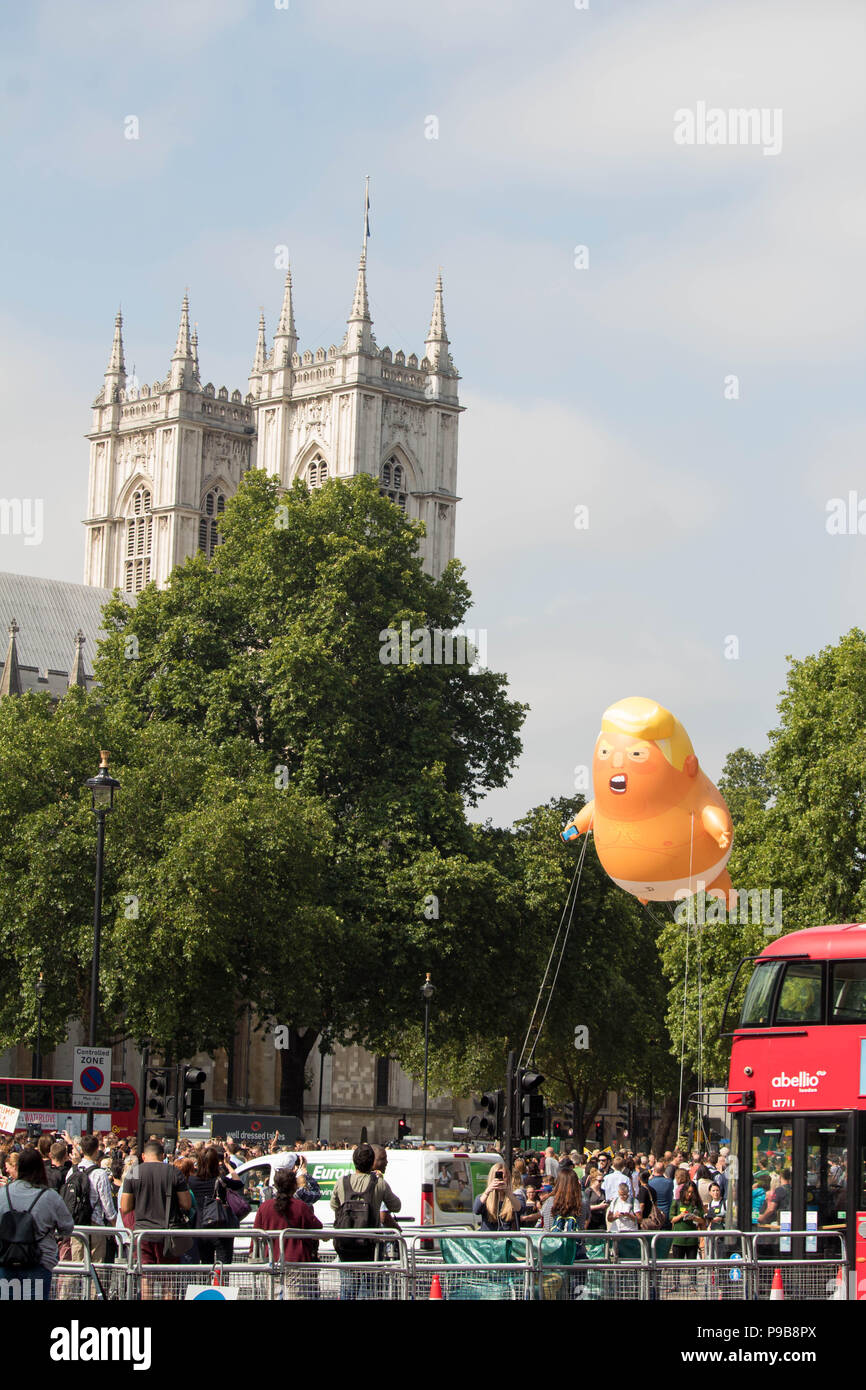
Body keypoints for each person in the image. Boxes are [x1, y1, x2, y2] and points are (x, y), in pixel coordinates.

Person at [0, 1145, 74, 1299]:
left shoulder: (3, 1193)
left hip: (6, 1259)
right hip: (39, 1262)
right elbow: (67, 1227)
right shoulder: (49, 1196)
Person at [330, 1142, 401, 1299]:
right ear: (372, 1163)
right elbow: (396, 1206)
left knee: (347, 1291)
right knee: (368, 1292)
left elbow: (334, 1205)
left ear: (354, 1161)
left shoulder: (342, 1182)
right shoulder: (379, 1183)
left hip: (346, 1246)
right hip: (370, 1248)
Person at [120, 1139, 191, 1293]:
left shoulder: (135, 1171)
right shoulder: (173, 1171)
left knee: (146, 1279)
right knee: (169, 1281)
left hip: (142, 1235)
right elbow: (186, 1204)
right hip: (168, 1234)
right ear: (163, 1156)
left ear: (144, 1156)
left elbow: (125, 1207)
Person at [254, 1165, 322, 1294]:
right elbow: (317, 1227)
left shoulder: (264, 1207)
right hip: (296, 1263)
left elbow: (256, 1235)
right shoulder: (300, 1206)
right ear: (294, 1186)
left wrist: (254, 1256)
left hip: (272, 1262)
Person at [188, 1145, 245, 1267]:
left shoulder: (191, 1181)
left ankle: (204, 1286)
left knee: (204, 1266)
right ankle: (221, 1285)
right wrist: (228, 1164)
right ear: (216, 1163)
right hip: (221, 1227)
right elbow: (239, 1183)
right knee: (223, 1267)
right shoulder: (220, 1180)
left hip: (201, 1229)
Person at [67, 1135, 116, 1266]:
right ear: (96, 1151)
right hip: (95, 1224)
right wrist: (115, 1225)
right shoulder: (100, 1174)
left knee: (75, 1267)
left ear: (81, 1150)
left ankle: (69, 1288)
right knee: (97, 1268)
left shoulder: (72, 1171)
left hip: (76, 1224)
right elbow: (107, 1206)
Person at [473, 1162, 526, 1231]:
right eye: (498, 1176)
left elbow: (520, 1209)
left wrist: (508, 1193)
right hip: (488, 1239)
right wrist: (487, 1191)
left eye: (504, 1177)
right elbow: (476, 1210)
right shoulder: (483, 1197)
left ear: (509, 1178)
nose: (501, 1180)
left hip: (509, 1238)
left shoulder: (517, 1197)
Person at [669, 1179, 706, 1261]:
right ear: (684, 1191)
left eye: (692, 1192)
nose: (689, 1194)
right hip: (678, 1240)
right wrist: (681, 1215)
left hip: (692, 1240)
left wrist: (694, 1218)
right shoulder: (677, 1202)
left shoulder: (696, 1204)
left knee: (692, 1268)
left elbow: (703, 1221)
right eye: (688, 1192)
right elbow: (672, 1219)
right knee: (677, 1267)